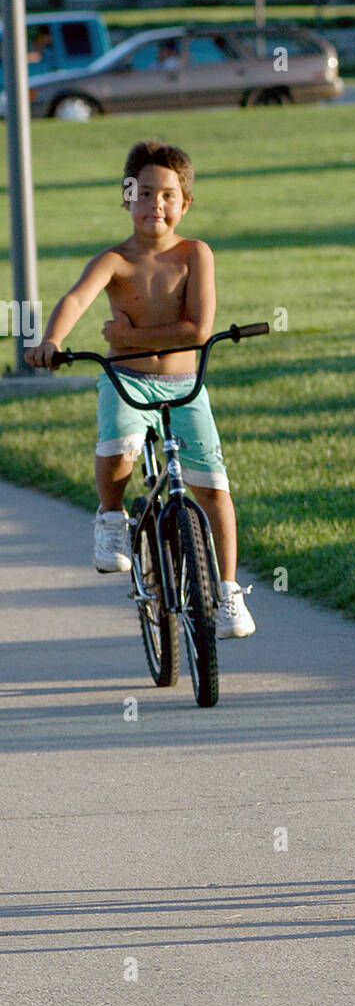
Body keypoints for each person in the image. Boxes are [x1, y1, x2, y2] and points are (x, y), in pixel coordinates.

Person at [25, 137, 255, 639]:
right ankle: (110, 518)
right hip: (126, 378)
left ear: (185, 203)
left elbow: (197, 329)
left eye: (168, 195)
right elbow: (77, 297)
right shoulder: (114, 260)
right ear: (126, 196)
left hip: (184, 384)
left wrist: (131, 337)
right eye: (145, 193)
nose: (156, 204)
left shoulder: (196, 254)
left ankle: (229, 591)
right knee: (119, 449)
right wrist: (52, 341)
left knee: (213, 486)